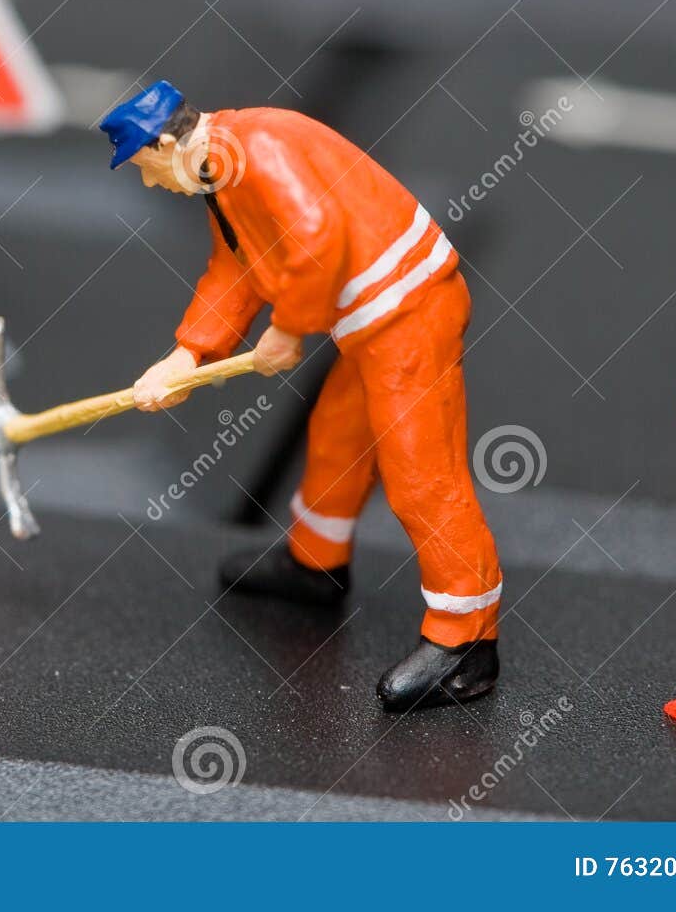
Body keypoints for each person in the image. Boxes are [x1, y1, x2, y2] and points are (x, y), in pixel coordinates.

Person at [101, 79, 503, 710]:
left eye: (147, 168)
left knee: (423, 476)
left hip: (409, 314)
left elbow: (317, 237)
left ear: (165, 143)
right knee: (338, 440)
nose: (151, 184)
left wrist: (287, 330)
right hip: (370, 323)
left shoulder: (258, 152)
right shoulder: (223, 173)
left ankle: (466, 639)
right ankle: (315, 565)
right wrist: (189, 354)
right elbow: (237, 267)